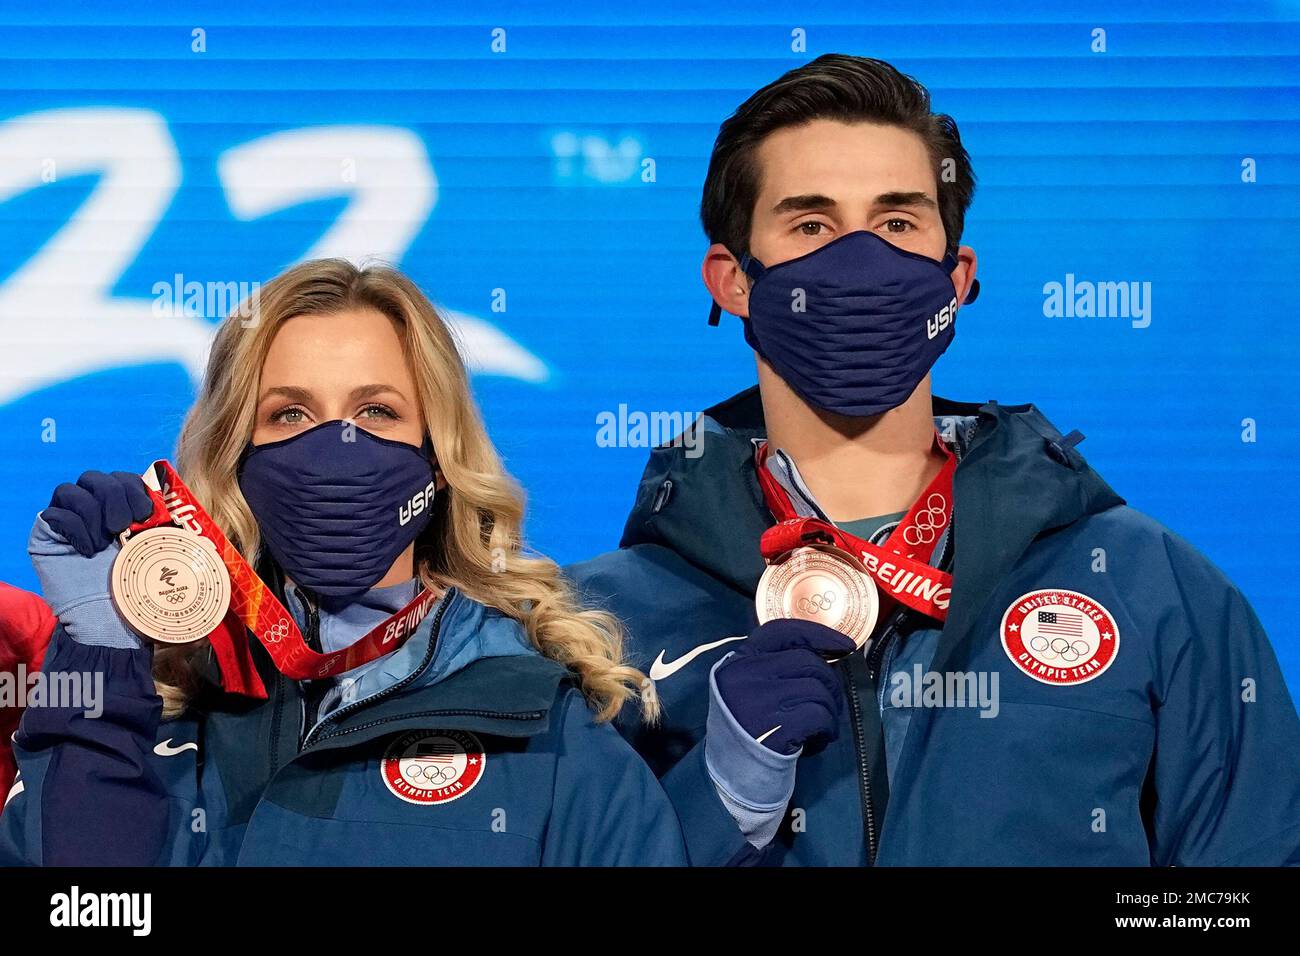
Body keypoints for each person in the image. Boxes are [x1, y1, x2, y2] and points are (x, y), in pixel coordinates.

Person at [568, 54, 1300, 866]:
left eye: (897, 224)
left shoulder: (1147, 585)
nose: (858, 262)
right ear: (733, 280)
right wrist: (720, 799)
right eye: (811, 225)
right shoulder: (592, 628)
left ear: (956, 278)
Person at [0, 259, 685, 866]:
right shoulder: (166, 706)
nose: (336, 445)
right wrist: (98, 654)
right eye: (291, 415)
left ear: (438, 460)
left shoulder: (550, 735)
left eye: (377, 411)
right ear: (237, 459)